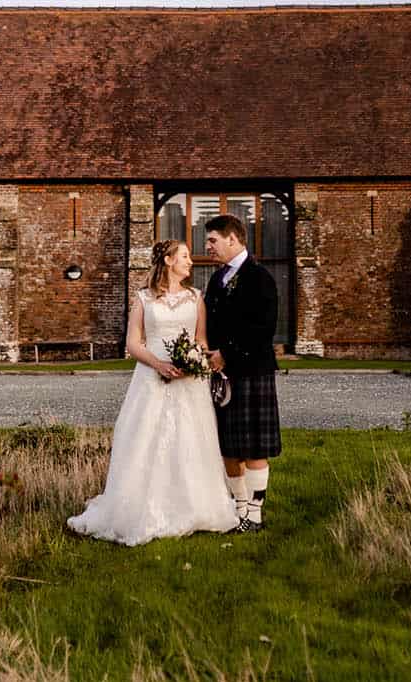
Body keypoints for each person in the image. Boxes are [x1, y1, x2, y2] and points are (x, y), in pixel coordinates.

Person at [65, 239, 241, 545]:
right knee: (146, 438)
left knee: (190, 439)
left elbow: (200, 339)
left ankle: (195, 506)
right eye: (185, 256)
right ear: (169, 261)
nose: (190, 261)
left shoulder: (195, 297)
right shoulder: (144, 298)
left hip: (189, 383)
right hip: (150, 377)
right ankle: (143, 507)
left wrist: (194, 361)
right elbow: (133, 344)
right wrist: (158, 364)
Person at [203, 213, 282, 532]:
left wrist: (226, 354)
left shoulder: (259, 277)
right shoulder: (217, 279)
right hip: (220, 372)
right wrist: (205, 352)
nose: (208, 246)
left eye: (212, 240)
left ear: (232, 239)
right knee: (228, 445)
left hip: (251, 371)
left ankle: (255, 515)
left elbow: (263, 329)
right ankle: (238, 510)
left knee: (253, 447)